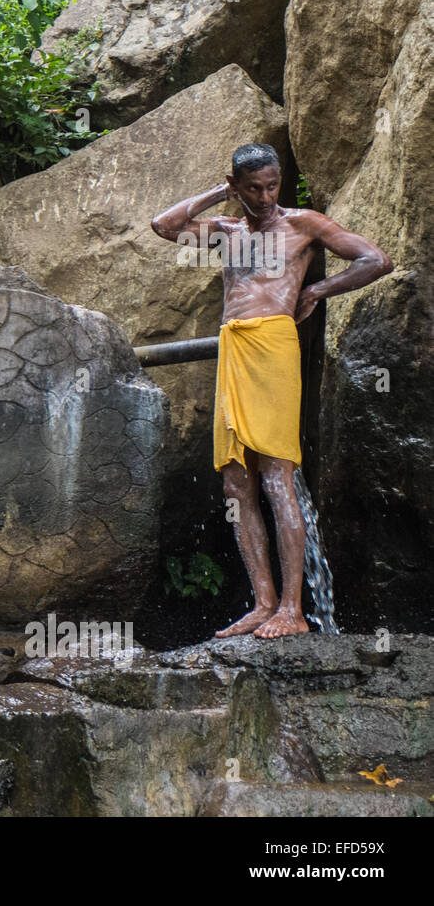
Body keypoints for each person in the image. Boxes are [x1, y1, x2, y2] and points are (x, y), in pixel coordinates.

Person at [151, 143, 392, 639]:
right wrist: (221, 192)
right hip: (233, 348)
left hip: (274, 344)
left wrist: (314, 292)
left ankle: (293, 610)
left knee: (277, 476)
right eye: (253, 187)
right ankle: (263, 604)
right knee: (236, 482)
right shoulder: (227, 232)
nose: (264, 197)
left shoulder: (304, 224)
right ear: (237, 185)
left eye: (271, 186)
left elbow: (375, 259)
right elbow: (165, 225)